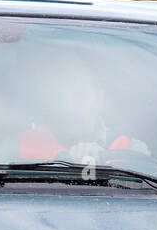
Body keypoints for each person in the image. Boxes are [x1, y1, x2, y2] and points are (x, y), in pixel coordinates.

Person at [18, 53, 149, 162]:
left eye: (79, 96)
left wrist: (102, 165)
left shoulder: (131, 150)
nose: (68, 107)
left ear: (99, 99)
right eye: (59, 96)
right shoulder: (17, 147)